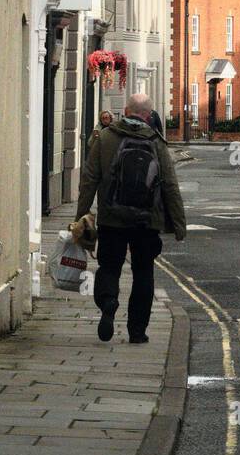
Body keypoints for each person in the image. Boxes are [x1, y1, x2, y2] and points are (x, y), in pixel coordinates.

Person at [75, 92, 186, 344]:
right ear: (148, 115)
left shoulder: (105, 138)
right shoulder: (156, 143)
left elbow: (89, 179)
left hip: (112, 218)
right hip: (147, 222)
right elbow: (170, 185)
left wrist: (81, 216)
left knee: (109, 266)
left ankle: (108, 302)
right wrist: (179, 224)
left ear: (125, 111)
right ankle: (137, 331)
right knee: (143, 272)